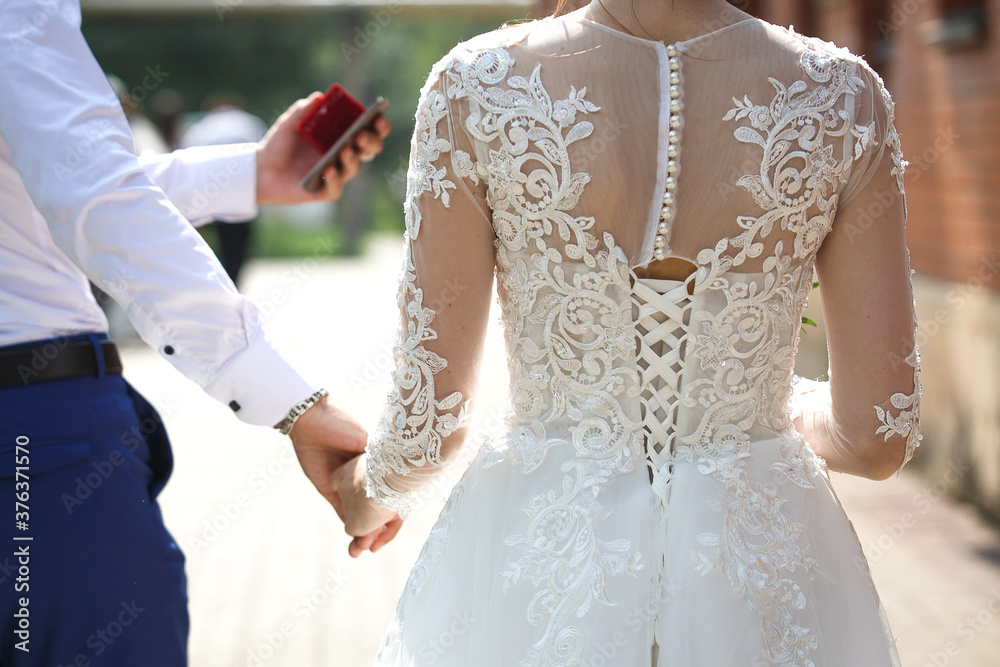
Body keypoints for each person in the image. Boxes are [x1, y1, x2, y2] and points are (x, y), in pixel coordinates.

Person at [332, 0, 921, 664]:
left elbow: (428, 430)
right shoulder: (842, 95)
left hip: (548, 558)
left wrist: (360, 492)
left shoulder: (477, 85)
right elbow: (877, 436)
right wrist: (754, 403)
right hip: (752, 564)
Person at [0, 1, 390, 665]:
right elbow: (94, 196)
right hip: (35, 437)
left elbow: (53, 190)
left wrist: (249, 174)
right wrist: (294, 402)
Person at [181, 91, 268, 286]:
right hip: (244, 193)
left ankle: (215, 284)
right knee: (238, 247)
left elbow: (186, 161)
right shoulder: (249, 122)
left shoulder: (202, 127)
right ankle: (233, 284)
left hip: (210, 196)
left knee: (209, 247)